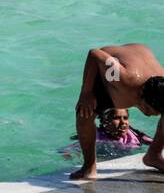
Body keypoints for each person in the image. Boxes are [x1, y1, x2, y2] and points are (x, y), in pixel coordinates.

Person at [70, 44, 164, 180]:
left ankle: (153, 156)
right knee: (84, 112)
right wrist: (86, 92)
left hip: (138, 58)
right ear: (142, 99)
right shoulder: (125, 77)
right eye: (149, 110)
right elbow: (94, 54)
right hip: (109, 72)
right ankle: (89, 166)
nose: (151, 116)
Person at [61, 108, 154, 161]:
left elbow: (154, 142)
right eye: (116, 118)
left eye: (125, 118)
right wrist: (69, 154)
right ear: (105, 121)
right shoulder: (97, 137)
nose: (123, 122)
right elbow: (67, 149)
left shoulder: (134, 134)